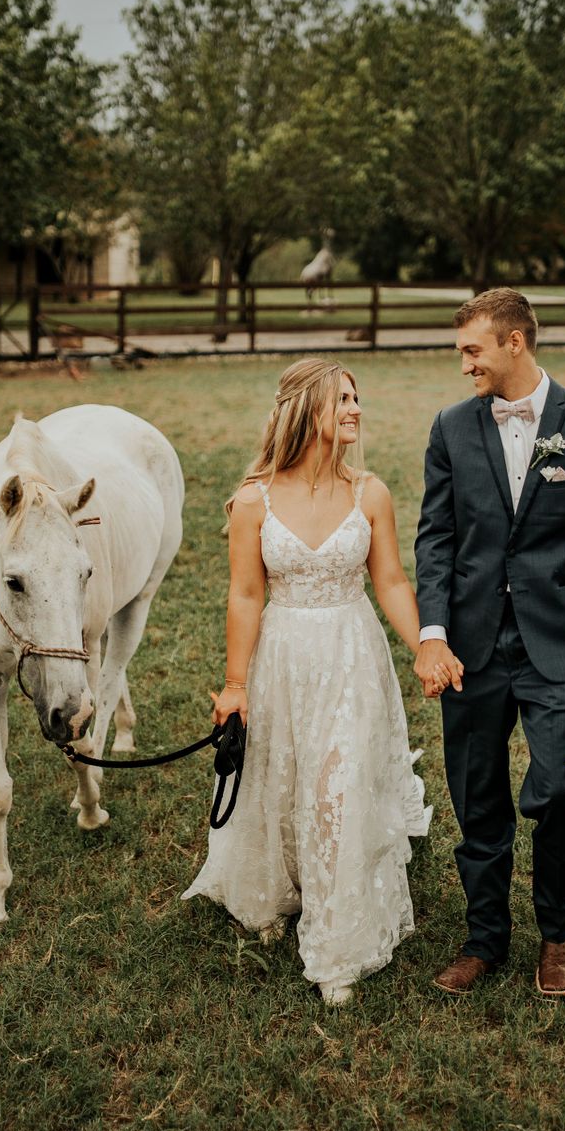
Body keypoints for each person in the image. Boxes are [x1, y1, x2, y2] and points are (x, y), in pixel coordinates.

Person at [184, 358, 455, 1005]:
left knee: (338, 780)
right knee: (285, 776)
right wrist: (235, 684)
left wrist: (425, 645)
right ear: (308, 410)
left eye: (358, 398)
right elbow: (246, 596)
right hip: (282, 656)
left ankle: (338, 943)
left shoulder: (371, 493)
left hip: (351, 654)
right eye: (344, 400)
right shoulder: (255, 500)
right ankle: (280, 889)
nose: (357, 409)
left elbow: (390, 579)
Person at [414, 289, 565, 998]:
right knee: (477, 797)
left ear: (515, 342)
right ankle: (484, 938)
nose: (465, 365)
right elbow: (436, 537)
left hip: (556, 646)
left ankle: (558, 933)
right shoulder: (450, 428)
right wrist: (434, 633)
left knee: (557, 790)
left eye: (473, 349)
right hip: (470, 646)